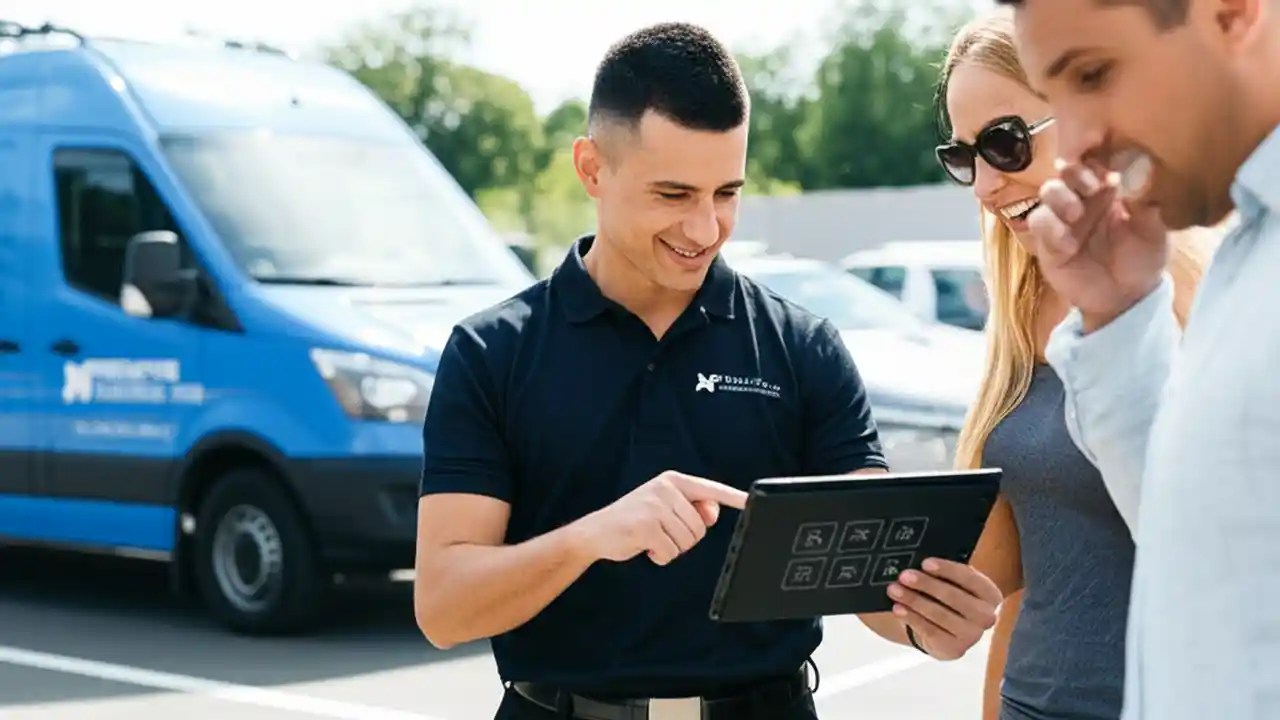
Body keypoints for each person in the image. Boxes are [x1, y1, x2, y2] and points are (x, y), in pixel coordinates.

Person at [414, 21, 1003, 720]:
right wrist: (591, 538)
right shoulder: (493, 353)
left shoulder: (802, 346)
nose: (704, 228)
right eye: (673, 195)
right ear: (592, 168)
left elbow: (868, 581)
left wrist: (926, 619)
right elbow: (444, 607)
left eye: (726, 193)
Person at [990, 0, 1280, 717]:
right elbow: (1201, 547)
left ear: (1231, 12)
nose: (1078, 146)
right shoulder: (1249, 257)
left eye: (1093, 74)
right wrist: (1118, 313)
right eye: (1055, 101)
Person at [933, 10, 1215, 720]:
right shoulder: (1016, 324)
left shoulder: (1206, 306)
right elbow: (1021, 586)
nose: (984, 187)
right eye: (963, 157)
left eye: (1003, 143)